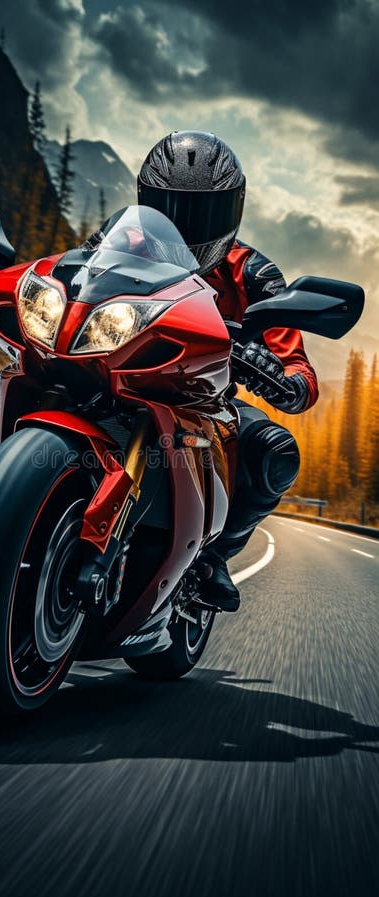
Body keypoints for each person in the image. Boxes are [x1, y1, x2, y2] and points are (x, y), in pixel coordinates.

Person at [134, 130, 318, 611]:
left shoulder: (253, 275)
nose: (182, 226)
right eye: (167, 209)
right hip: (117, 375)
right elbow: (69, 274)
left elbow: (297, 365)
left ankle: (214, 555)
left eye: (201, 213)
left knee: (273, 451)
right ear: (145, 202)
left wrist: (283, 380)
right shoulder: (118, 244)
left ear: (230, 211)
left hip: (205, 400)